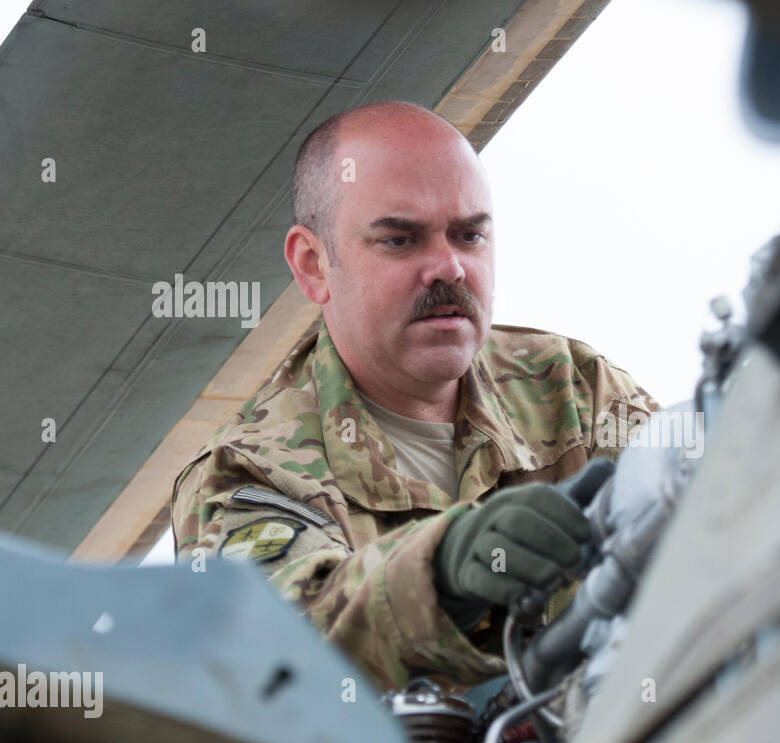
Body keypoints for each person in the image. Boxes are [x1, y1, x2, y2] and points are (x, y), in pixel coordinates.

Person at [171, 101, 657, 691]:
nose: (448, 268)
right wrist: (443, 570)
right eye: (400, 241)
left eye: (469, 235)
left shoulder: (574, 388)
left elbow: (711, 505)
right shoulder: (248, 470)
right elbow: (277, 654)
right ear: (313, 265)